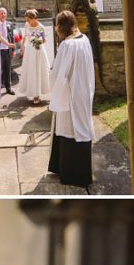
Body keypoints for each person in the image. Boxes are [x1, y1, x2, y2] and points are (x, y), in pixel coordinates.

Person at [47, 9, 95, 186]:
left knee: (70, 129)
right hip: (84, 93)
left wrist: (50, 76)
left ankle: (71, 174)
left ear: (61, 26)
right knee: (82, 127)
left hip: (70, 96)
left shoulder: (67, 46)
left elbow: (58, 74)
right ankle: (77, 171)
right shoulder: (84, 39)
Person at [20, 7, 53, 107]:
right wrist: (22, 47)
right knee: (30, 70)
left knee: (38, 71)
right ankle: (30, 91)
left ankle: (37, 95)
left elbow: (44, 40)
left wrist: (38, 41)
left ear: (34, 18)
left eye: (28, 20)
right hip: (30, 50)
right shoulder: (27, 25)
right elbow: (25, 37)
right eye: (26, 20)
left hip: (38, 50)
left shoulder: (41, 27)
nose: (27, 22)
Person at [0, 6, 14, 95]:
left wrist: (12, 49)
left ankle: (8, 88)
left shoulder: (9, 24)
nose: (3, 15)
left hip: (7, 50)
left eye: (4, 13)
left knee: (7, 70)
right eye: (1, 13)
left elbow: (11, 37)